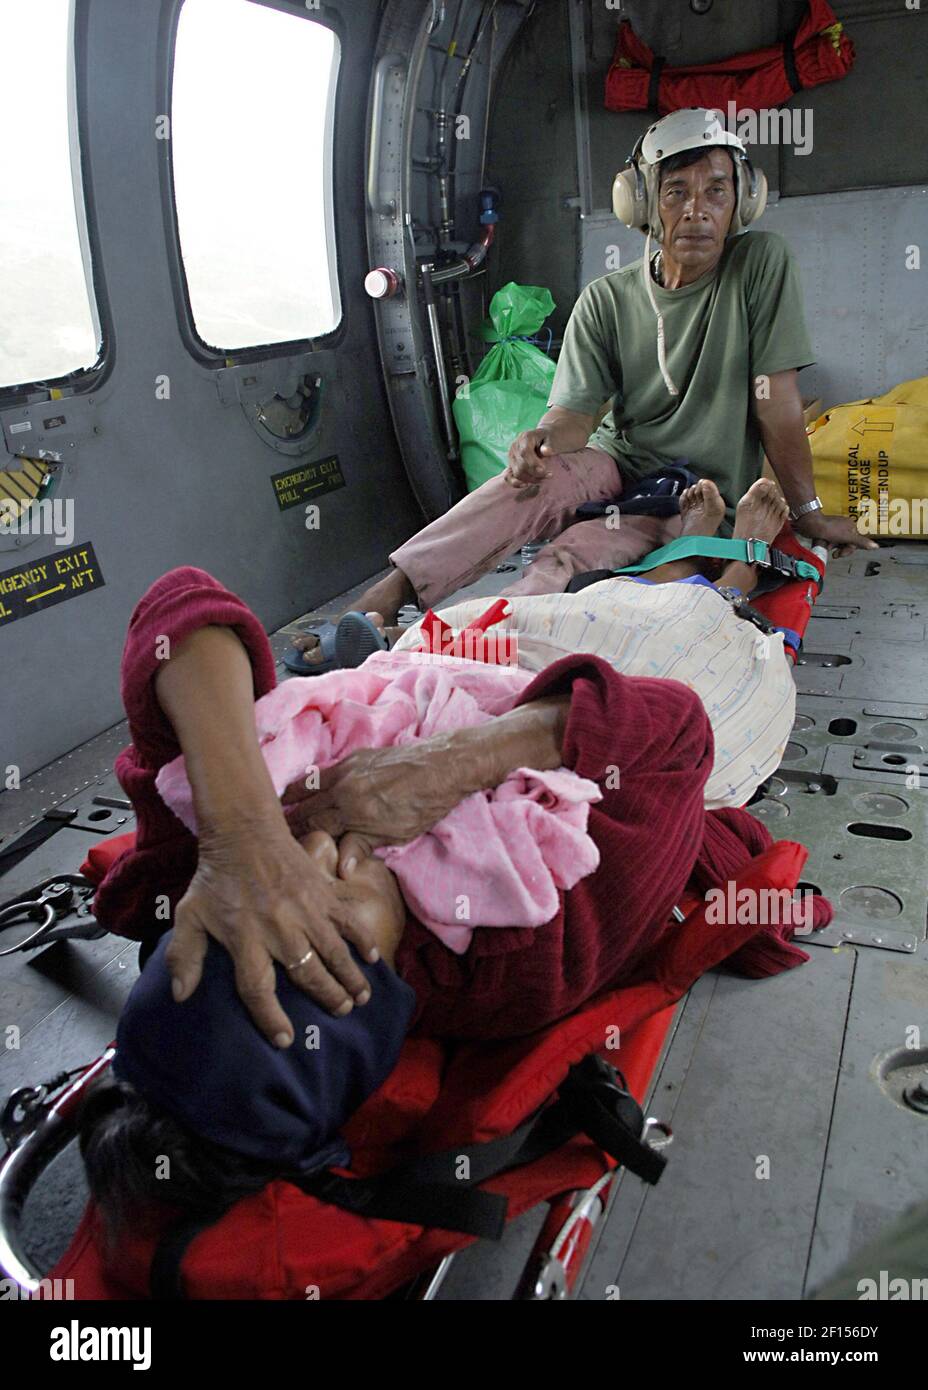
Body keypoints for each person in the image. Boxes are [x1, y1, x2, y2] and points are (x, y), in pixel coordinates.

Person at [289, 108, 873, 670]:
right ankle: (387, 595)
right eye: (675, 192)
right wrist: (540, 441)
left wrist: (810, 513)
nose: (697, 211)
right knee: (528, 482)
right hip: (619, 466)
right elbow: (575, 413)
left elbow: (774, 401)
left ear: (741, 202)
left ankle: (448, 646)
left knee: (565, 559)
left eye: (716, 191)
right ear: (644, 203)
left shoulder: (761, 264)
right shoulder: (606, 299)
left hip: (700, 493)